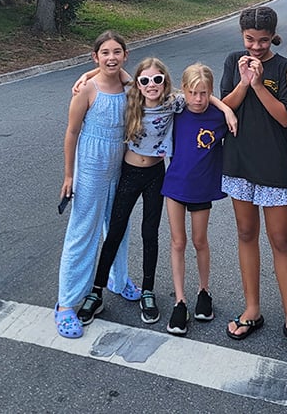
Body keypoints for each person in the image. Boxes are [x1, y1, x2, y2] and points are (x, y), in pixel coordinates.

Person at [76, 57, 236, 327]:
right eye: (146, 80)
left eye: (158, 79)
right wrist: (88, 73)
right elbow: (114, 71)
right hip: (129, 172)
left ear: (167, 82)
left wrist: (226, 109)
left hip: (156, 175)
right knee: (114, 231)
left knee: (150, 233)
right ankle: (96, 290)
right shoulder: (132, 96)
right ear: (138, 83)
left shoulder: (174, 103)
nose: (152, 84)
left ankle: (148, 291)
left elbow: (202, 95)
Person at [220, 5, 287, 357]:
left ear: (272, 37)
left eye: (262, 41)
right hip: (239, 161)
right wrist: (245, 81)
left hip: (275, 164)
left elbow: (286, 118)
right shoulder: (234, 61)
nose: (256, 47)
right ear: (242, 37)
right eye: (249, 40)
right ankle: (252, 309)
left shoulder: (285, 68)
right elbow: (225, 105)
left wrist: (259, 84)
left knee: (280, 240)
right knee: (246, 233)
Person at [54, 30, 133, 339]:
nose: (111, 57)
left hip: (120, 164)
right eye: (105, 53)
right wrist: (69, 175)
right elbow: (72, 132)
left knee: (117, 226)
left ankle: (118, 277)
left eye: (117, 52)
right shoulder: (87, 90)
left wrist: (102, 68)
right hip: (90, 166)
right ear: (95, 56)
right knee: (83, 231)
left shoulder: (129, 87)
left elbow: (131, 77)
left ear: (126, 55)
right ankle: (66, 304)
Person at [162, 63, 237, 336]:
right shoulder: (177, 110)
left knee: (199, 240)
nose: (198, 99)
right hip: (175, 185)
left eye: (204, 93)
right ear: (184, 91)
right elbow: (147, 89)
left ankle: (204, 291)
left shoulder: (218, 116)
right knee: (178, 241)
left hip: (202, 188)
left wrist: (226, 108)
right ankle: (180, 300)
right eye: (193, 92)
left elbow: (229, 105)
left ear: (211, 92)